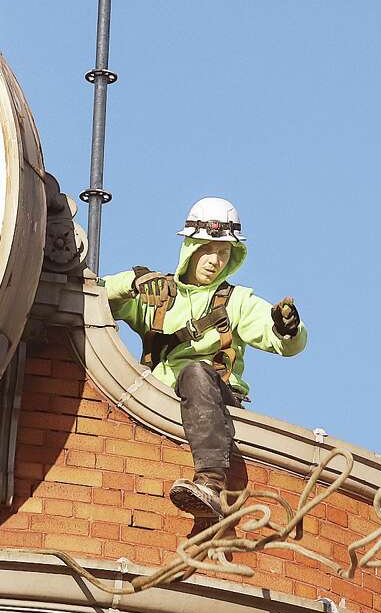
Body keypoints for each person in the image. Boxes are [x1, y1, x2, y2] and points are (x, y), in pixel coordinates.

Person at [100, 198, 307, 518]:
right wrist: (132, 281)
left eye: (223, 252)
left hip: (218, 397)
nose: (215, 260)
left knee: (196, 373)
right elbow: (93, 298)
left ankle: (210, 481)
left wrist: (287, 328)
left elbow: (280, 339)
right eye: (207, 249)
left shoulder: (237, 301)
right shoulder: (160, 294)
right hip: (162, 399)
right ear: (190, 248)